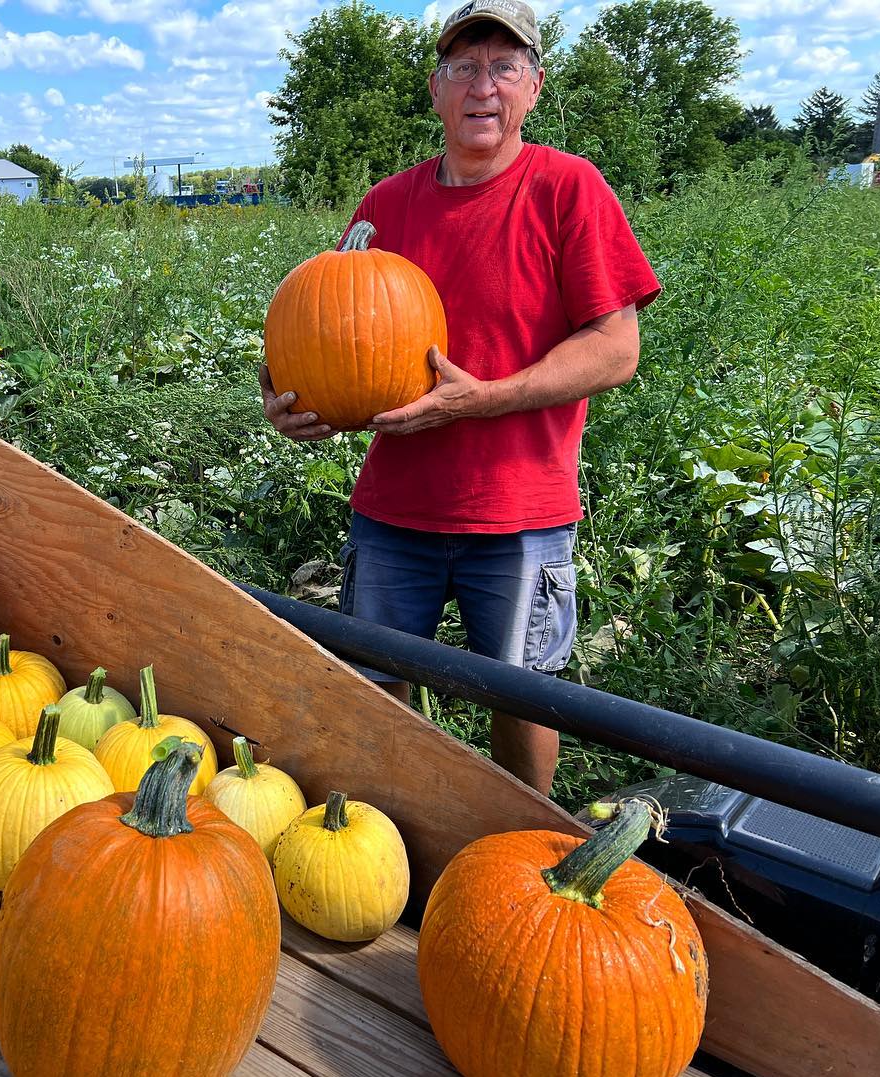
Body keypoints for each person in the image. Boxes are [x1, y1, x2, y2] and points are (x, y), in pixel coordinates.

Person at [259, 0, 661, 796]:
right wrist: (296, 407)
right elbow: (331, 328)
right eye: (464, 68)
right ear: (437, 91)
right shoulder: (385, 207)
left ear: (534, 87)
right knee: (377, 689)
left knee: (520, 698)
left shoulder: (567, 189)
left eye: (504, 67)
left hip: (519, 510)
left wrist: (481, 400)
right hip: (394, 509)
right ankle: (381, 839)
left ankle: (520, 840)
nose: (485, 86)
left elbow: (617, 350)